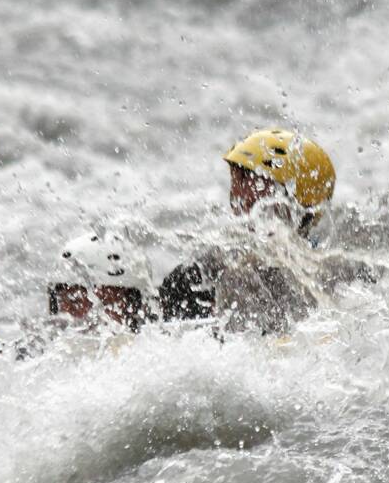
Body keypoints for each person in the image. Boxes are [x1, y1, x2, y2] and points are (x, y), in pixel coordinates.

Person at [157, 128, 373, 335]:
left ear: (285, 195)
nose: (236, 195)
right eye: (236, 181)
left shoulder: (216, 270)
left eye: (243, 180)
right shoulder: (337, 270)